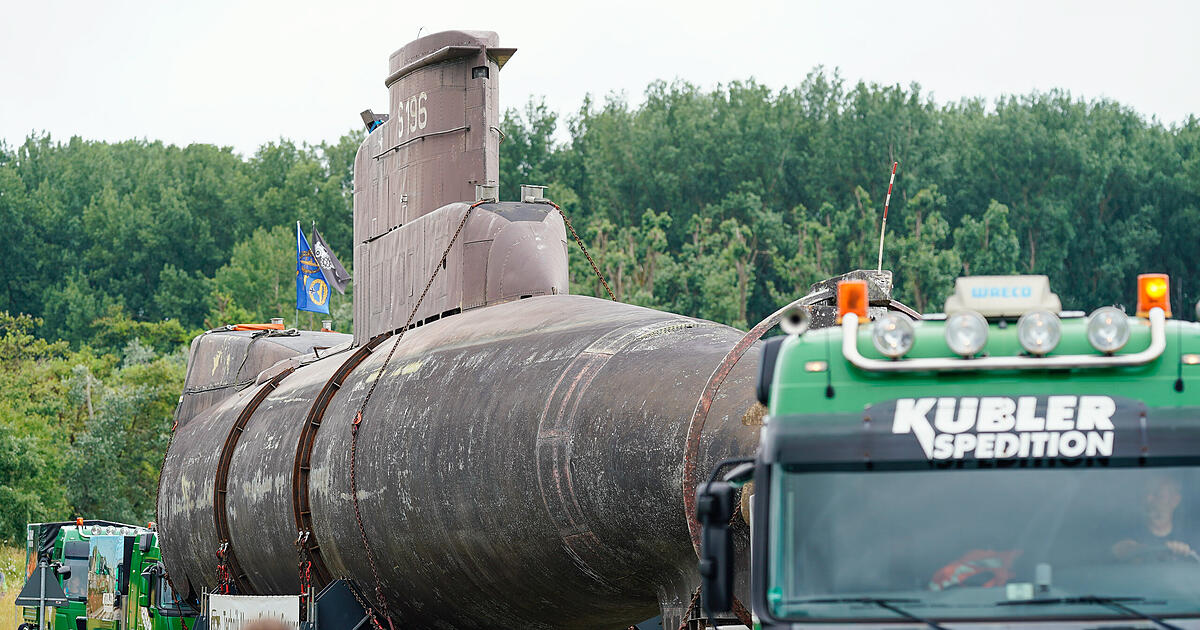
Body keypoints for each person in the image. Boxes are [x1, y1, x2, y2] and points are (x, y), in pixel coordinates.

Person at [1112, 474, 1198, 562]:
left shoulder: (1192, 538)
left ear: (1175, 500)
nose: (1148, 499)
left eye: (1157, 494)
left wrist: (1185, 553)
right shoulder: (1125, 533)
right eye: (1146, 493)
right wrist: (1124, 552)